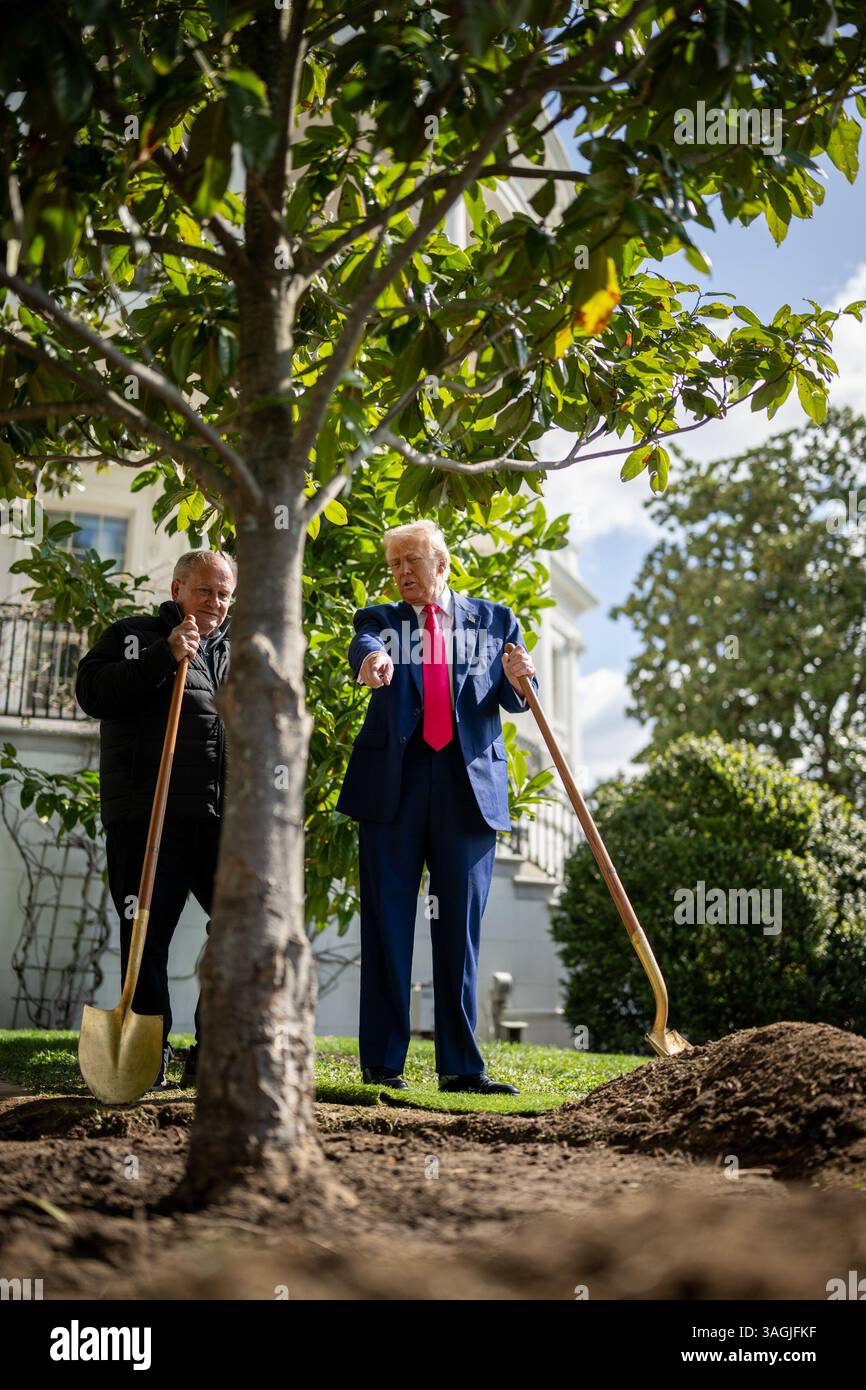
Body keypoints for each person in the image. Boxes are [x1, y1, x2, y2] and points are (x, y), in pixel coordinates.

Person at [336, 520, 538, 1094]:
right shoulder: (381, 619)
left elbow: (514, 696)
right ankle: (381, 1064)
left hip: (467, 791)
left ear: (441, 563)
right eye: (394, 564)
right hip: (391, 789)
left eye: (411, 562)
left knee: (459, 934)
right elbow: (366, 643)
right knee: (387, 927)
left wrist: (525, 680)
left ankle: (461, 1069)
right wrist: (372, 661)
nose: (401, 574)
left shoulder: (495, 620)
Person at [75, 550, 235, 1090]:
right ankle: (150, 1053)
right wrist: (163, 656)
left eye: (224, 593)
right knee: (146, 936)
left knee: (239, 929)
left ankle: (211, 1052)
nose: (215, 602)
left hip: (217, 822)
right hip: (148, 818)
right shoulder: (131, 633)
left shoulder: (232, 652)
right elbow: (92, 694)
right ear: (177, 590)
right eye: (205, 590)